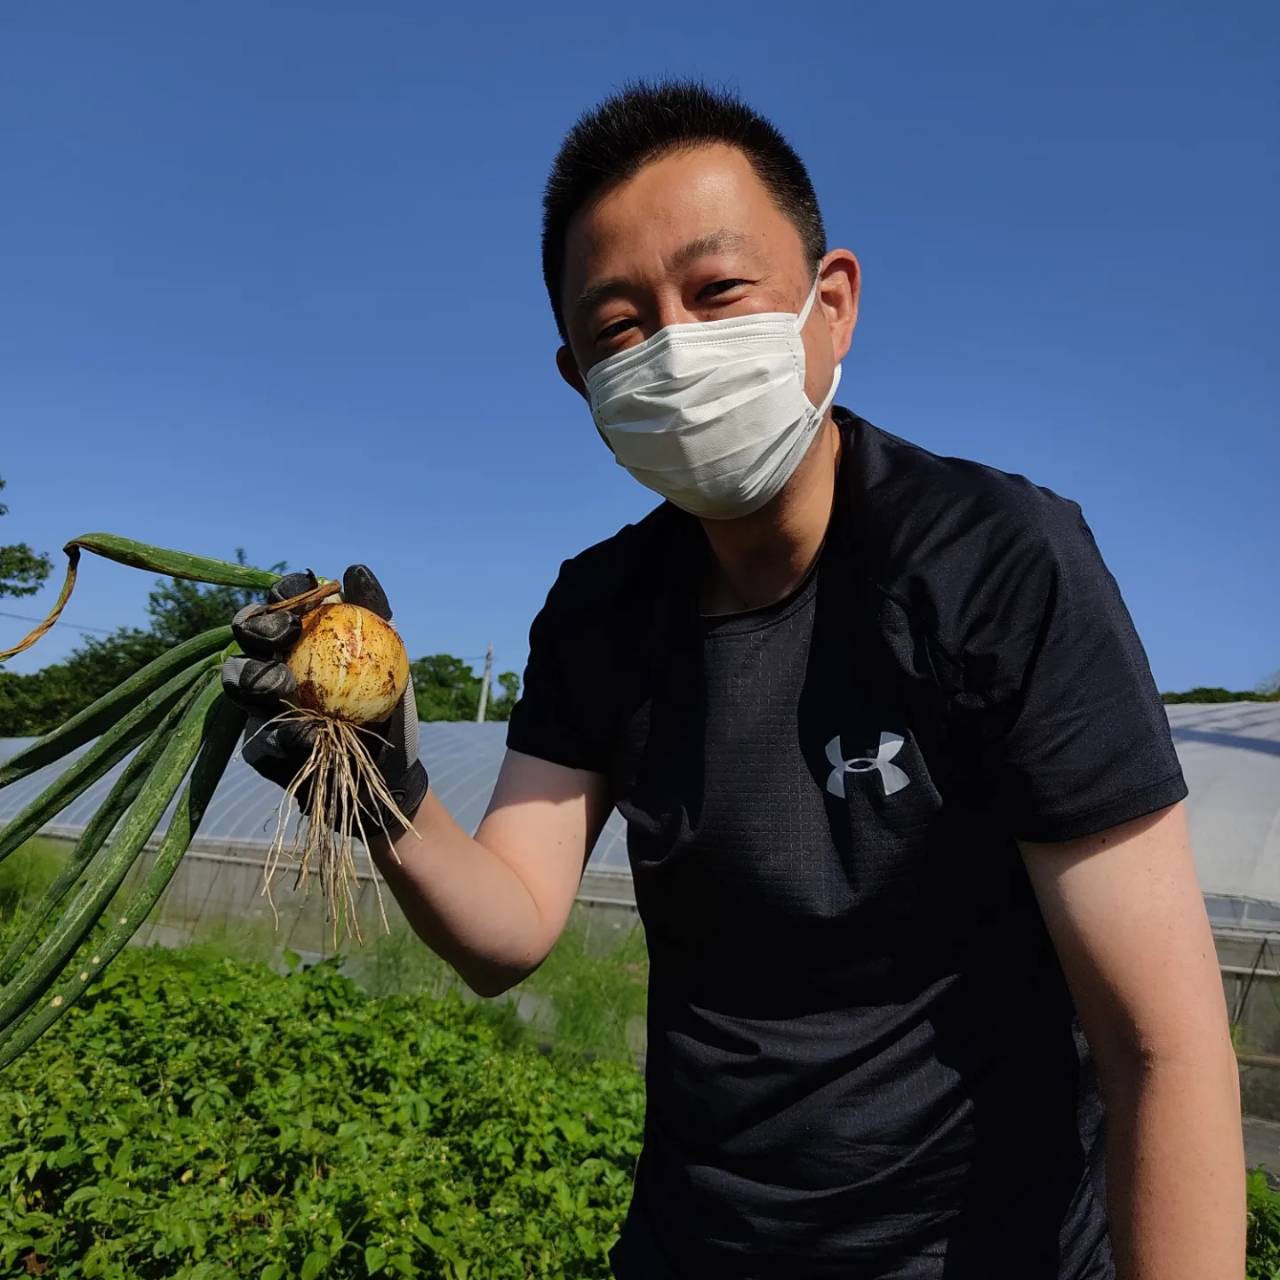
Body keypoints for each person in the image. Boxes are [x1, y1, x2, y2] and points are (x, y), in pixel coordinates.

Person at [223, 81, 1245, 1280]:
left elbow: (1160, 1045)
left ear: (831, 304)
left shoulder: (990, 561)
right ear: (578, 380)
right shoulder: (601, 610)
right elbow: (506, 928)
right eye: (620, 327)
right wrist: (384, 777)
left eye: (716, 293)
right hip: (693, 1247)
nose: (675, 348)